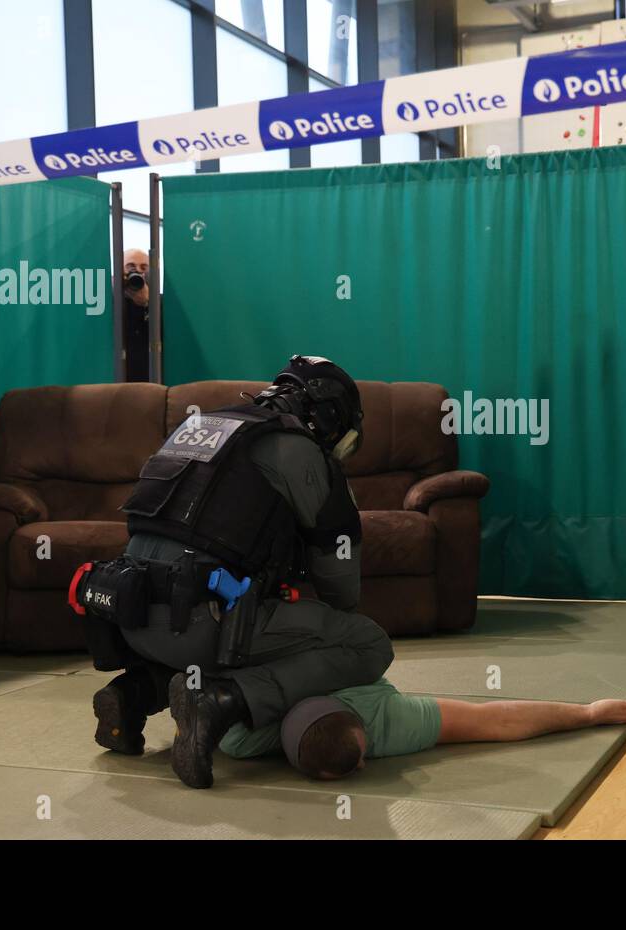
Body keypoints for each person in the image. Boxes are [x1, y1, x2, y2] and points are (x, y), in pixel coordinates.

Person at [79, 355, 392, 788]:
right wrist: (335, 616)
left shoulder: (199, 427)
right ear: (327, 417)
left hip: (131, 617)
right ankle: (218, 701)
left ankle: (132, 696)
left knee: (220, 613)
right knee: (367, 643)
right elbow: (339, 580)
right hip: (200, 625)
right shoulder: (297, 448)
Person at [217, 677, 626, 780]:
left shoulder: (387, 718)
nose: (367, 761)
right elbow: (497, 722)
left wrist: (589, 712)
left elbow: (499, 718)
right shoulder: (245, 738)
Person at [121, 248, 151, 382]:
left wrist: (147, 304)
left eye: (144, 268)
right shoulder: (107, 305)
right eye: (131, 267)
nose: (138, 272)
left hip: (150, 379)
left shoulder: (161, 304)